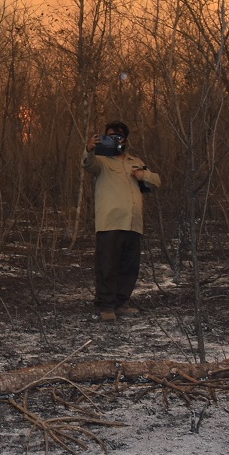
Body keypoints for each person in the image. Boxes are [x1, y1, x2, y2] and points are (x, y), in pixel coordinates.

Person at [82, 121, 160, 321]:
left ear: (125, 139)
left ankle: (121, 303)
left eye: (119, 136)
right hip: (110, 221)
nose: (115, 139)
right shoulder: (101, 160)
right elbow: (88, 164)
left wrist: (143, 175)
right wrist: (89, 149)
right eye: (110, 136)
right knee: (107, 264)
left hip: (133, 223)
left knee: (129, 266)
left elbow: (156, 181)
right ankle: (106, 306)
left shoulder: (134, 161)